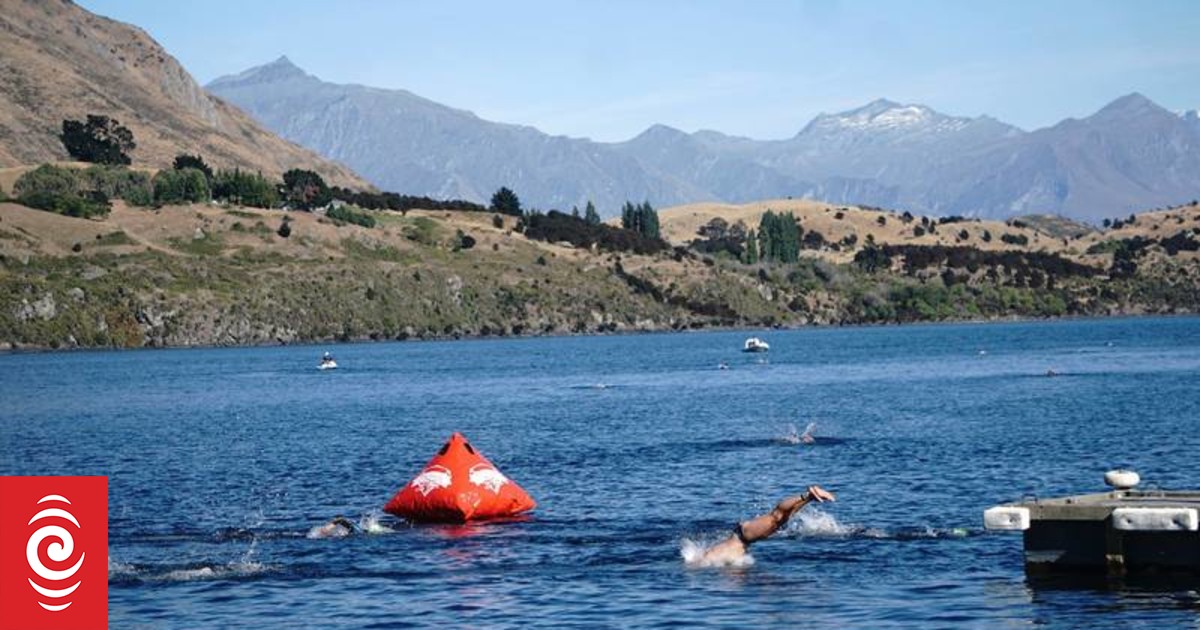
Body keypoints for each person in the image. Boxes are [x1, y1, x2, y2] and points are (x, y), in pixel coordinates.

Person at [695, 485, 836, 565]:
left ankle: (806, 495)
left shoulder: (707, 560)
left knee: (776, 517)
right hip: (745, 537)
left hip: (744, 536)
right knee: (782, 519)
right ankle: (811, 496)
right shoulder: (709, 556)